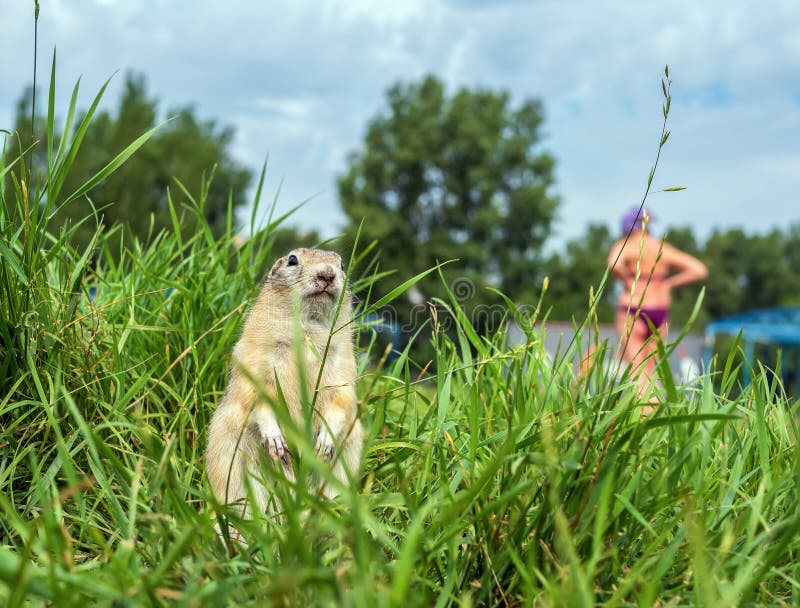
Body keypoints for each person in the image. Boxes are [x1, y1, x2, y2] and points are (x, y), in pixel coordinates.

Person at [607, 207, 708, 402]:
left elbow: (613, 263)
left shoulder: (626, 245)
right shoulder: (661, 247)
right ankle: (655, 414)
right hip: (660, 310)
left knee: (636, 369)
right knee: (651, 369)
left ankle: (642, 417)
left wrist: (627, 279)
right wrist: (668, 283)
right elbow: (699, 269)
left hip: (634, 306)